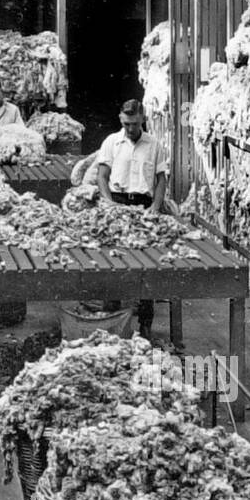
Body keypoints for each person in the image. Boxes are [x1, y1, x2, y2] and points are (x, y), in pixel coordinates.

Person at [94, 99, 170, 338]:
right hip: (118, 203)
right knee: (113, 262)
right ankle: (111, 317)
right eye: (126, 124)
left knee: (147, 265)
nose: (130, 129)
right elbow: (102, 177)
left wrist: (156, 207)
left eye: (135, 124)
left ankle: (145, 323)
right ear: (120, 119)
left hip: (144, 207)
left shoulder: (154, 144)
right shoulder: (111, 143)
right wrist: (109, 204)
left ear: (142, 119)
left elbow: (161, 180)